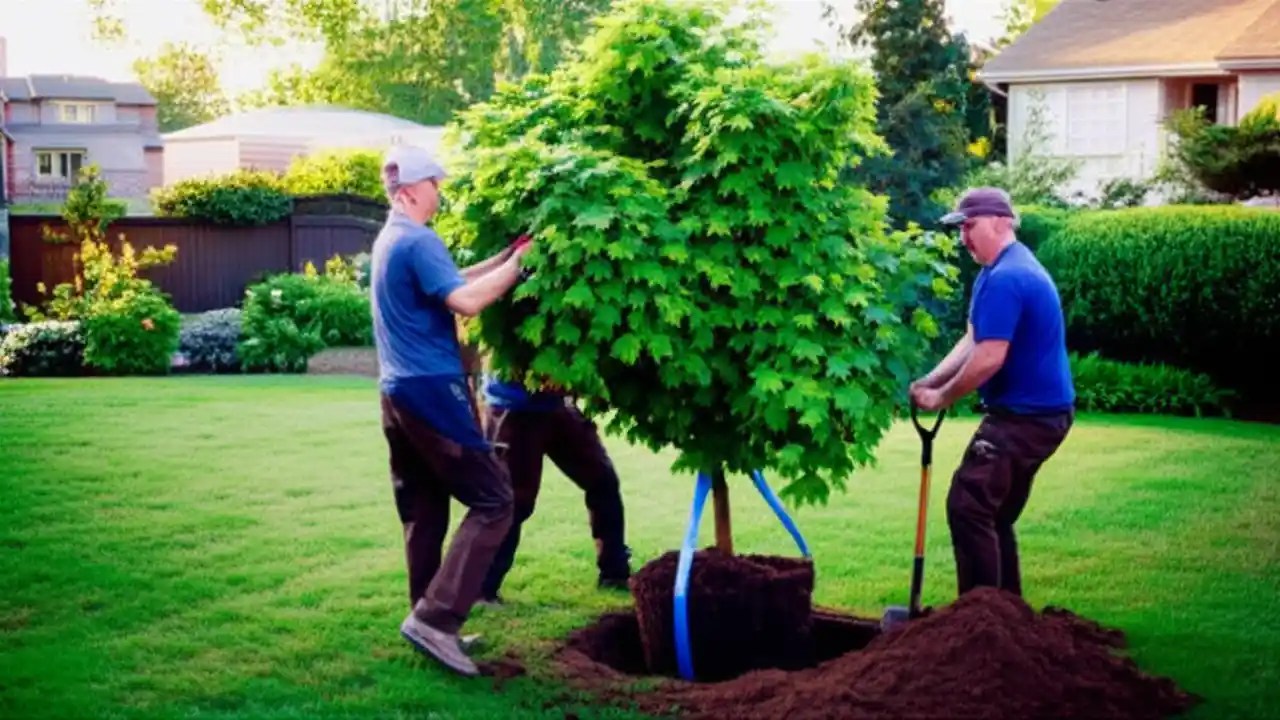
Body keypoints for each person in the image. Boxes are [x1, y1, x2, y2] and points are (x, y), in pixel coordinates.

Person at [369, 144, 533, 677]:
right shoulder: (416, 239)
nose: (441, 193)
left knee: (424, 510)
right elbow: (465, 301)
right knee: (494, 500)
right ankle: (436, 621)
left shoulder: (393, 238)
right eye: (436, 184)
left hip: (396, 393)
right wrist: (521, 268)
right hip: (432, 391)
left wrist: (506, 256)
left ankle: (427, 615)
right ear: (414, 189)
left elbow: (453, 278)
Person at [910, 187, 1074, 598]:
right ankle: (1007, 616)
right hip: (1040, 415)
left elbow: (988, 358)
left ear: (1002, 222)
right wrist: (930, 380)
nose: (964, 237)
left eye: (970, 226)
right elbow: (972, 340)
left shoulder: (1009, 277)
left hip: (1026, 418)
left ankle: (979, 619)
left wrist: (942, 397)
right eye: (960, 228)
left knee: (969, 506)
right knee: (993, 514)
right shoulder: (994, 272)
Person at [477, 373, 632, 603]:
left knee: (603, 480)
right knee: (515, 502)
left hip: (555, 405)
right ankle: (483, 590)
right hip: (513, 407)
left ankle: (615, 573)